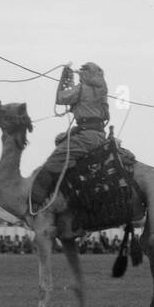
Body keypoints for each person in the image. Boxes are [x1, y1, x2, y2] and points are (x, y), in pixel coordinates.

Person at [30, 62, 110, 207]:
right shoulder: (102, 91)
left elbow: (60, 98)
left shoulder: (81, 89)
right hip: (99, 136)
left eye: (82, 73)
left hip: (86, 137)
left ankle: (34, 204)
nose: (80, 76)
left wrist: (65, 77)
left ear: (86, 74)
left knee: (54, 160)